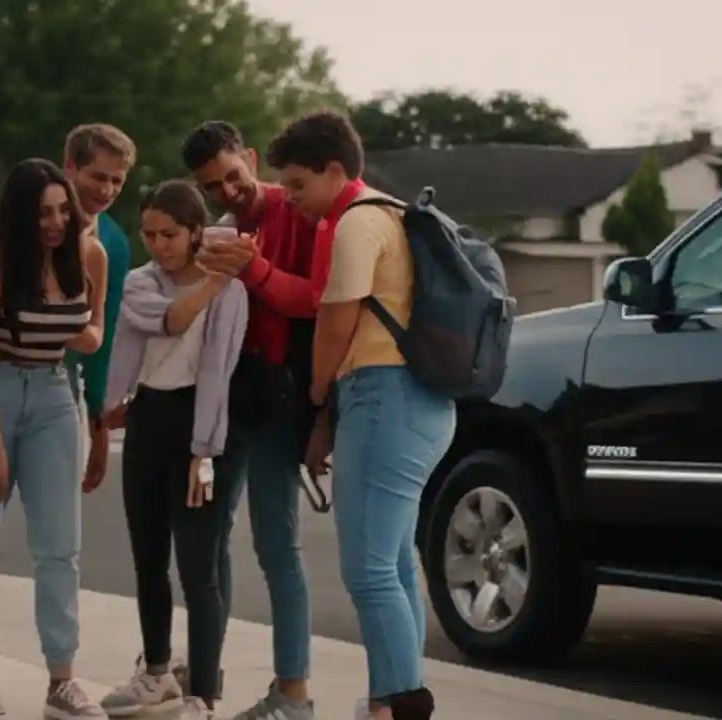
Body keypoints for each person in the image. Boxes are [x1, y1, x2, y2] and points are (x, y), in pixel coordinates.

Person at [266, 111, 455, 720]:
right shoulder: (398, 213)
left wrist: (317, 395)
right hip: (425, 403)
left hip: (383, 398)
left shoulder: (356, 221)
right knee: (394, 566)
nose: (291, 199)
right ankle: (388, 702)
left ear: (334, 171)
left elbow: (336, 317)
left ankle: (402, 707)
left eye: (298, 184)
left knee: (369, 572)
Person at [0, 159, 106, 719]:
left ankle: (62, 680)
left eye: (63, 210)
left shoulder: (89, 255)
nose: (56, 222)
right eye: (43, 213)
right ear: (20, 216)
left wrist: (81, 335)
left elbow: (94, 329)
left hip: (56, 395)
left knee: (60, 547)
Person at [179, 120, 321, 720]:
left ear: (252, 159)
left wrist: (252, 269)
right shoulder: (221, 229)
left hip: (280, 402)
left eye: (232, 176)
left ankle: (294, 693)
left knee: (276, 546)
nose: (228, 191)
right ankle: (203, 676)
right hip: (228, 398)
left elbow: (314, 299)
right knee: (208, 538)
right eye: (212, 186)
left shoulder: (298, 212)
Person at [98, 180, 248, 720]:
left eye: (170, 234)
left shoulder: (232, 295)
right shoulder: (141, 283)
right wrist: (215, 279)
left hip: (200, 426)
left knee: (199, 568)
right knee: (148, 559)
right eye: (150, 234)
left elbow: (218, 373)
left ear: (195, 232)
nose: (159, 245)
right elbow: (169, 320)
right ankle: (157, 672)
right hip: (148, 420)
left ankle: (202, 695)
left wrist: (204, 452)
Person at [61, 123, 136, 493]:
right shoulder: (26, 220)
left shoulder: (113, 243)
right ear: (70, 167)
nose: (107, 190)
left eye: (117, 181)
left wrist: (98, 420)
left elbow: (104, 335)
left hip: (63, 383)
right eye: (98, 177)